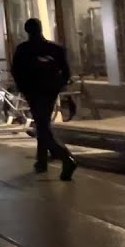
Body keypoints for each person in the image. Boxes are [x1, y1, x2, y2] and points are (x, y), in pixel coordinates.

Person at [12, 18, 77, 180]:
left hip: (33, 92)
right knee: (43, 123)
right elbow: (66, 73)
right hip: (49, 91)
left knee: (42, 127)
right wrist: (57, 86)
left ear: (26, 30)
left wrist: (23, 89)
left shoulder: (23, 50)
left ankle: (65, 157)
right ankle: (41, 161)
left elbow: (16, 72)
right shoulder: (55, 49)